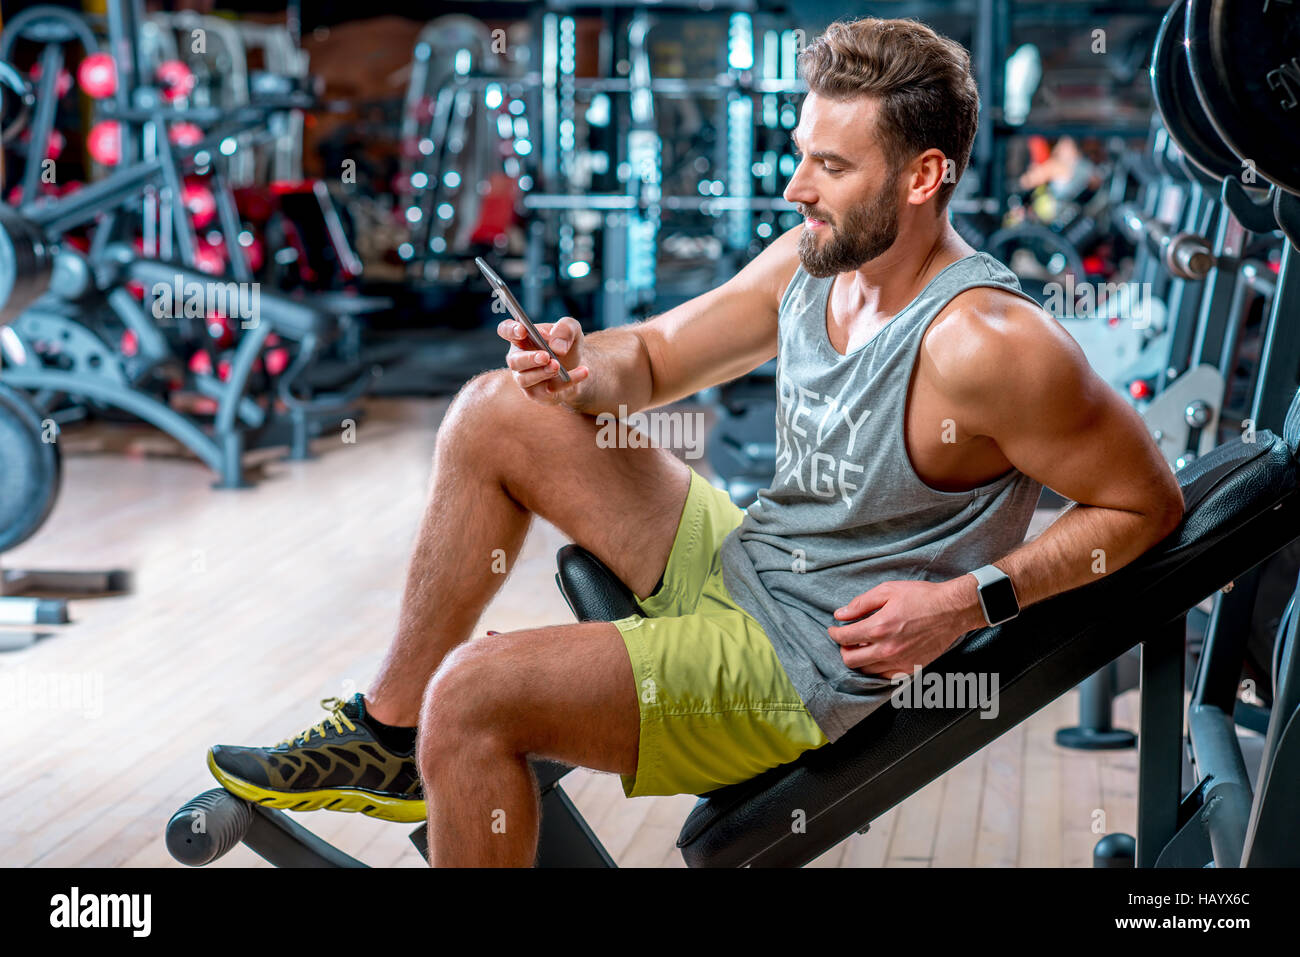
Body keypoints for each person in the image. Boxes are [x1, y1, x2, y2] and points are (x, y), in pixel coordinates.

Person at [206, 17, 1184, 866]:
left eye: (832, 166)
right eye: (802, 152)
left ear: (925, 176)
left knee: (471, 699)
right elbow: (663, 354)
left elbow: (1144, 505)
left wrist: (971, 599)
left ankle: (435, 732)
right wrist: (577, 365)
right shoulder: (815, 258)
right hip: (747, 556)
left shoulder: (992, 344)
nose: (797, 186)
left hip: (804, 660)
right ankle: (387, 732)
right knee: (493, 410)